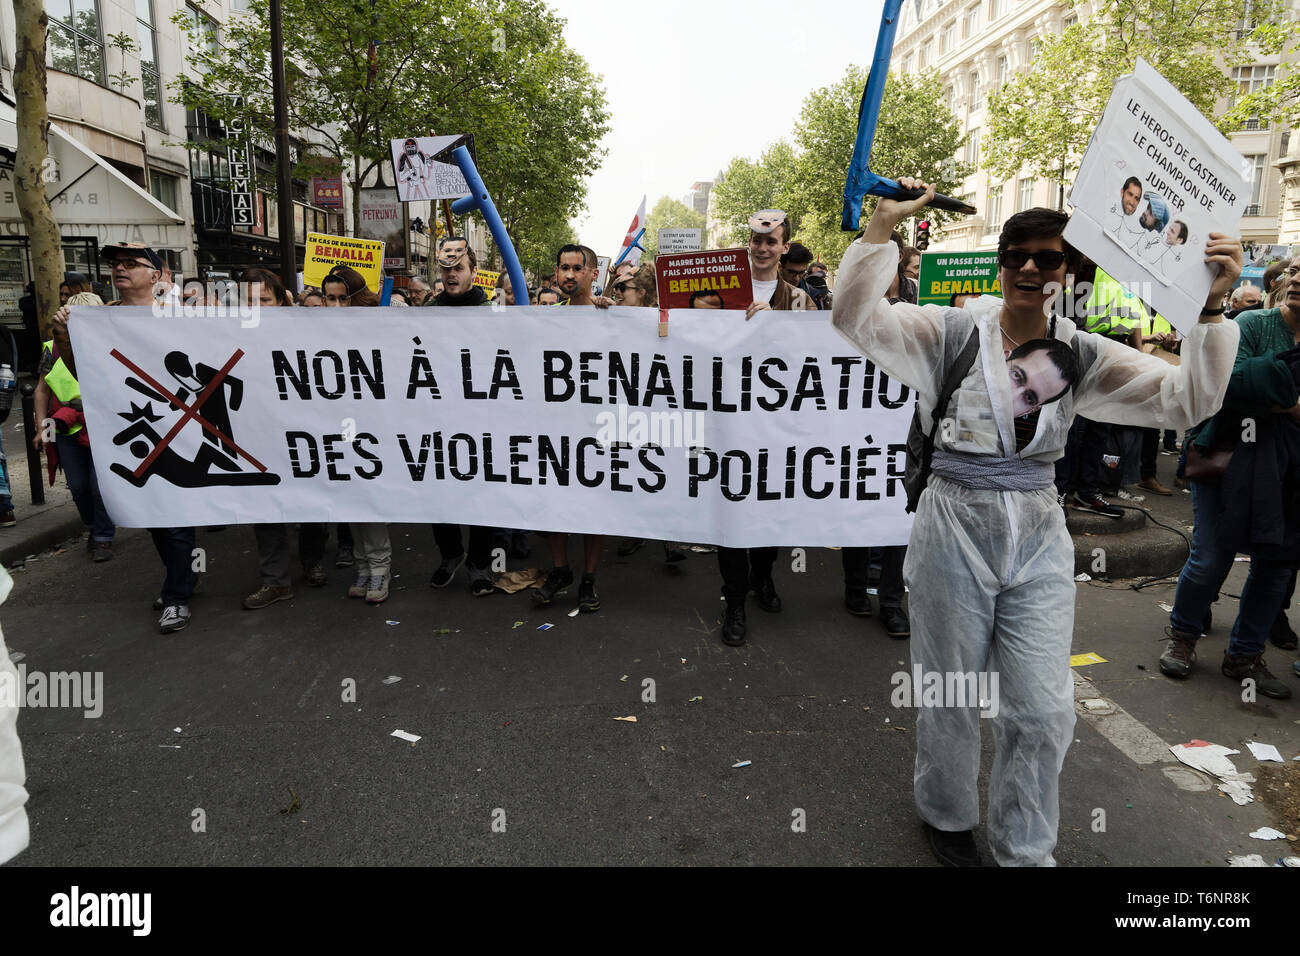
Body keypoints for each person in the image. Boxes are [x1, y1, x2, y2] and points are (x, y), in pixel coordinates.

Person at [832, 178, 1242, 867]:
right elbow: (854, 318)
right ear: (1001, 261)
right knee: (951, 686)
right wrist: (880, 231)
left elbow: (1186, 399)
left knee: (1043, 707)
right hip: (951, 519)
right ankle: (947, 812)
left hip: (1038, 529)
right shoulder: (950, 331)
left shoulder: (1082, 354)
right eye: (1016, 253)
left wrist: (1214, 308)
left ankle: (1025, 845)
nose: (1029, 267)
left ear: (1067, 273)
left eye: (1047, 258)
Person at [1160, 256, 1300, 699]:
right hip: (1228, 456)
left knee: (1275, 565)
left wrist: (1273, 387)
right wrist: (1289, 401)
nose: (1297, 281)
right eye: (1297, 273)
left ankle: (1244, 654)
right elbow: (1225, 381)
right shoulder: (1254, 324)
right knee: (1211, 556)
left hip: (1290, 469)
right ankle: (1183, 635)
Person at [51, 242, 200, 633]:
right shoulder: (97, 320)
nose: (120, 269)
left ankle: (176, 595)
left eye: (131, 263)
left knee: (177, 513)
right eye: (116, 264)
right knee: (152, 513)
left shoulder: (180, 316)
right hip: (132, 432)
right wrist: (65, 334)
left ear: (155, 275)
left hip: (179, 429)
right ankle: (180, 577)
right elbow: (80, 371)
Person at [239, 269, 330, 608]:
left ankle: (313, 560)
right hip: (256, 437)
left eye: (263, 300)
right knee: (265, 509)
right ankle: (276, 581)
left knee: (311, 502)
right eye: (249, 302)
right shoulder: (222, 337)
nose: (257, 308)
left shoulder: (304, 335)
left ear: (281, 301)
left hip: (303, 434)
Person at [533, 244, 612, 612]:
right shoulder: (549, 316)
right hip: (556, 426)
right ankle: (561, 569)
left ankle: (590, 578)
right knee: (554, 503)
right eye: (563, 268)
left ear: (593, 274)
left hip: (596, 428)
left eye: (577, 268)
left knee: (593, 504)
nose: (569, 275)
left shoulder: (611, 316)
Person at [426, 237, 497, 597]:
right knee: (440, 489)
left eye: (459, 269)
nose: (452, 275)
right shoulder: (428, 312)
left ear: (473, 273)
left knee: (482, 491)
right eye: (446, 269)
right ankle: (451, 554)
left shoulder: (491, 314)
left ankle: (480, 563)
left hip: (481, 418)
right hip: (438, 418)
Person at [321, 265, 391, 605]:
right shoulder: (318, 334)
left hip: (370, 429)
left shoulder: (378, 333)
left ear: (358, 299)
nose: (336, 307)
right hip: (335, 428)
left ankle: (380, 567)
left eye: (343, 299)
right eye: (329, 299)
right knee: (351, 501)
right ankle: (362, 566)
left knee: (370, 499)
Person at [32, 291, 114, 557]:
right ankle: (93, 526)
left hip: (102, 425)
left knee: (98, 486)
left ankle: (103, 536)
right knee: (78, 485)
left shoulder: (111, 344)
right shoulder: (51, 348)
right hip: (66, 426)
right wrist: (41, 426)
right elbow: (42, 390)